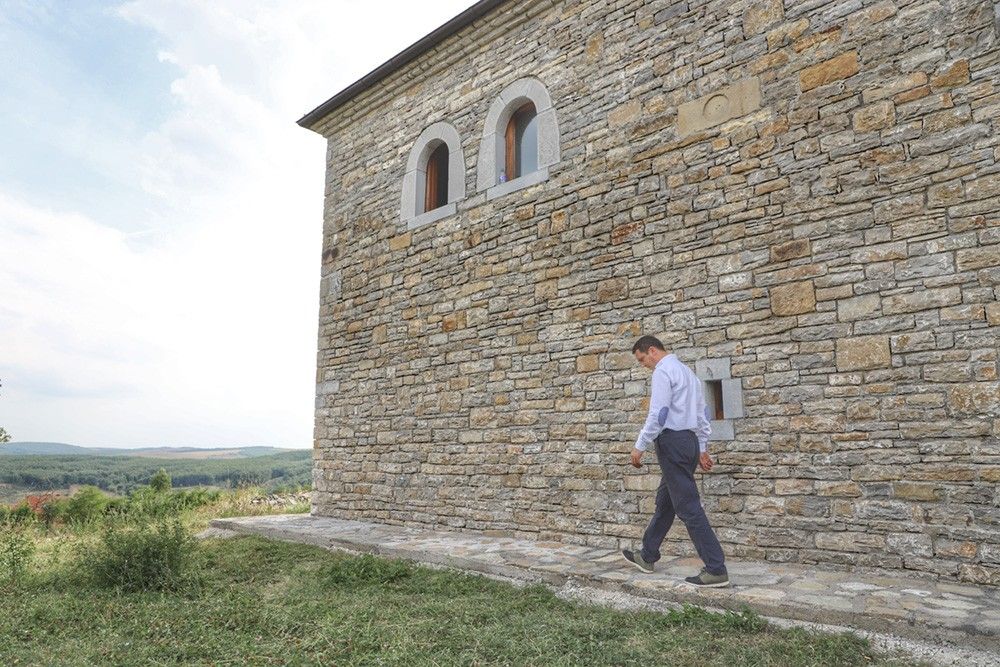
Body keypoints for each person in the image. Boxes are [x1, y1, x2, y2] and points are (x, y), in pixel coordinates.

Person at [621, 335, 729, 588]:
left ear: (652, 351)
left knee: (688, 507)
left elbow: (659, 414)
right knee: (666, 502)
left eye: (642, 360)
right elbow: (703, 414)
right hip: (688, 443)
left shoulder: (663, 371)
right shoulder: (688, 373)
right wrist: (701, 447)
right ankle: (647, 555)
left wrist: (639, 445)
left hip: (672, 443)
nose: (643, 365)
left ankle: (716, 568)